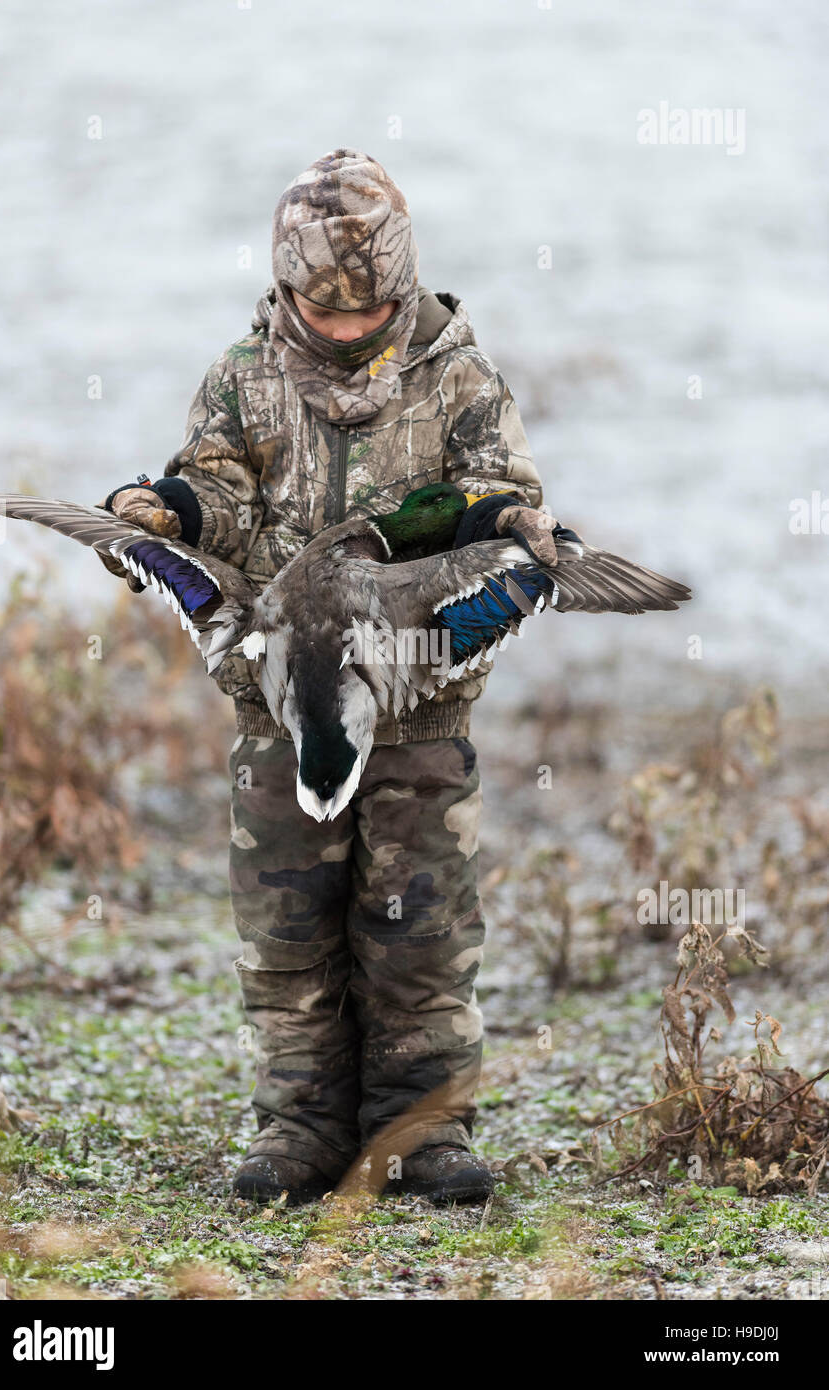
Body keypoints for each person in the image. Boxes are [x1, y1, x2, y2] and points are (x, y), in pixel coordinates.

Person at [99, 149, 555, 1205]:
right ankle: (299, 1125)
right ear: (284, 285)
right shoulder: (241, 377)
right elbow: (206, 488)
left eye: (367, 310)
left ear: (400, 283)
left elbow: (501, 501)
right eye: (320, 308)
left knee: (419, 931)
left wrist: (517, 560)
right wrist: (159, 511)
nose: (345, 331)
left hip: (420, 704)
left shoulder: (460, 378)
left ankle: (421, 1134)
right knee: (287, 924)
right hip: (277, 709)